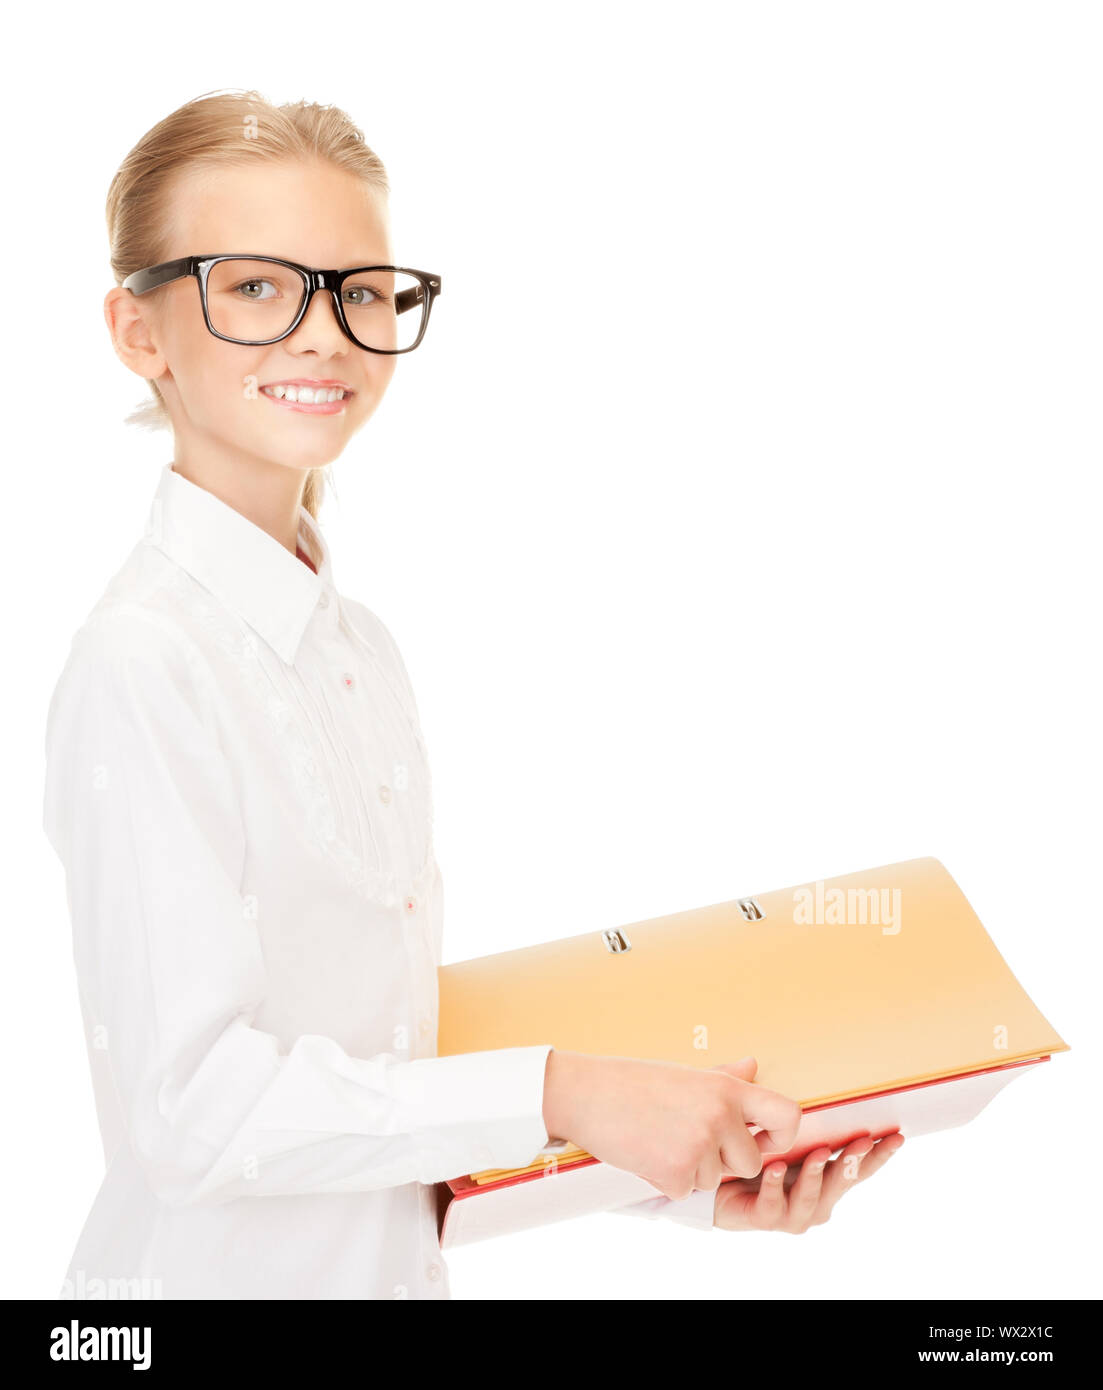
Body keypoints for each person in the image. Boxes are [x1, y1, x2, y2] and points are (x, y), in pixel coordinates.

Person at [42, 89, 903, 1301]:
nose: (323, 333)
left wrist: (671, 1167)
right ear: (140, 331)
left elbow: (385, 1093)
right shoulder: (144, 659)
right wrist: (563, 1090)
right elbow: (191, 1112)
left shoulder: (362, 651)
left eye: (362, 289)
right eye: (253, 287)